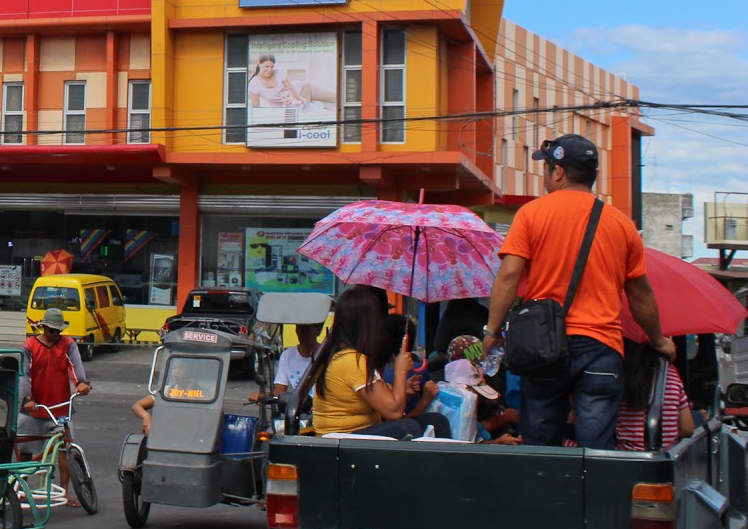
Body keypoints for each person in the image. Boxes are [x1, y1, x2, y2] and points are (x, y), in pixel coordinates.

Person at [481, 135, 673, 449]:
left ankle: (544, 481)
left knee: (541, 447)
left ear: (558, 172)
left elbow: (509, 275)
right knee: (595, 451)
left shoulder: (531, 214)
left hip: (542, 347)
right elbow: (640, 295)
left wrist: (492, 331)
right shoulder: (622, 225)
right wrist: (659, 340)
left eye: (546, 169)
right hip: (601, 347)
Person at [298, 285, 449, 439]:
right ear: (365, 324)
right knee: (407, 427)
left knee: (437, 421)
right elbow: (394, 412)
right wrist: (400, 371)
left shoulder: (347, 356)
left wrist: (403, 388)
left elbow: (376, 395)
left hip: (362, 433)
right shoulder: (351, 361)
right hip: (344, 438)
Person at [20, 307, 92, 507]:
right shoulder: (29, 346)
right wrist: (27, 399)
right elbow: (23, 374)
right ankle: (21, 489)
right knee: (25, 449)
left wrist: (81, 383)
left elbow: (76, 366)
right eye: (52, 330)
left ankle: (65, 492)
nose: (55, 334)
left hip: (61, 407)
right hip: (34, 406)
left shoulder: (68, 344)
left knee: (64, 449)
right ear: (44, 328)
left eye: (58, 331)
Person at [614, 340, 694, 452]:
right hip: (664, 455)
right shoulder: (670, 373)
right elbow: (687, 429)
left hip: (625, 456)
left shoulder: (618, 374)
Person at [247, 321, 323, 404]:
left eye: (306, 329)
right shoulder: (287, 355)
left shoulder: (327, 354)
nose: (301, 333)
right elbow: (280, 391)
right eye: (298, 328)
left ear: (318, 330)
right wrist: (262, 397)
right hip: (300, 407)